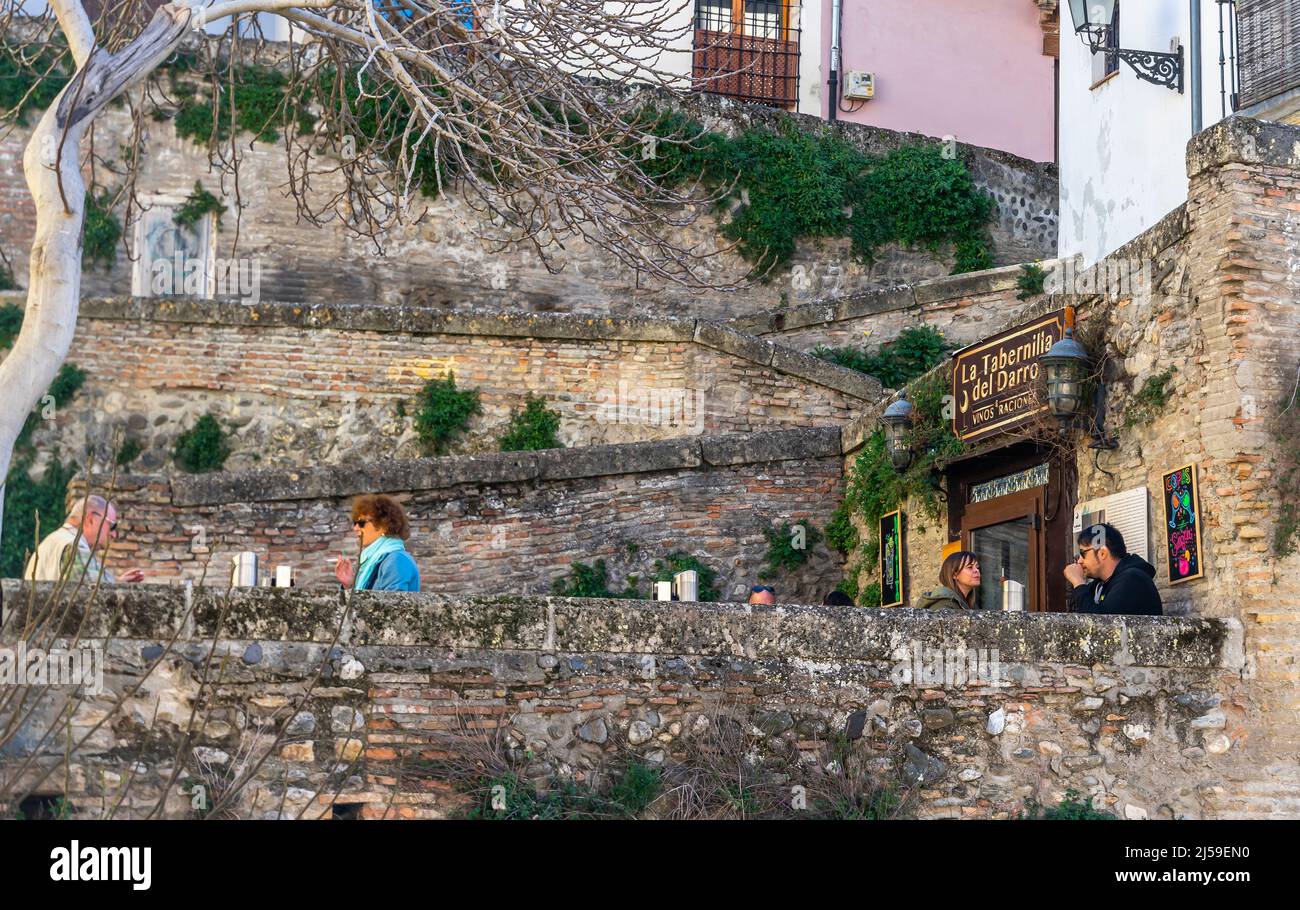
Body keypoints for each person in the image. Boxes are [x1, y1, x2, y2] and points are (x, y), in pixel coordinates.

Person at [23, 494, 144, 584]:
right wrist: (118, 587)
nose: (114, 534)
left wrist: (118, 582)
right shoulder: (73, 545)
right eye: (112, 526)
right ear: (90, 519)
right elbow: (94, 592)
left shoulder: (54, 541)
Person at [1066, 523, 1162, 616]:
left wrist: (1078, 582)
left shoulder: (1132, 580)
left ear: (1102, 553)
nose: (1079, 561)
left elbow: (1100, 625)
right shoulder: (1099, 585)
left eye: (1083, 553)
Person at [334, 494, 420, 592]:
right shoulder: (374, 560)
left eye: (362, 523)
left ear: (384, 525)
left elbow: (391, 605)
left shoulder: (396, 560)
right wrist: (349, 585)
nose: (355, 528)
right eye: (355, 523)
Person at [913, 550, 981, 609]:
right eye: (970, 567)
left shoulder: (971, 605)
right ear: (954, 574)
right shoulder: (942, 605)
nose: (976, 570)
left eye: (977, 567)